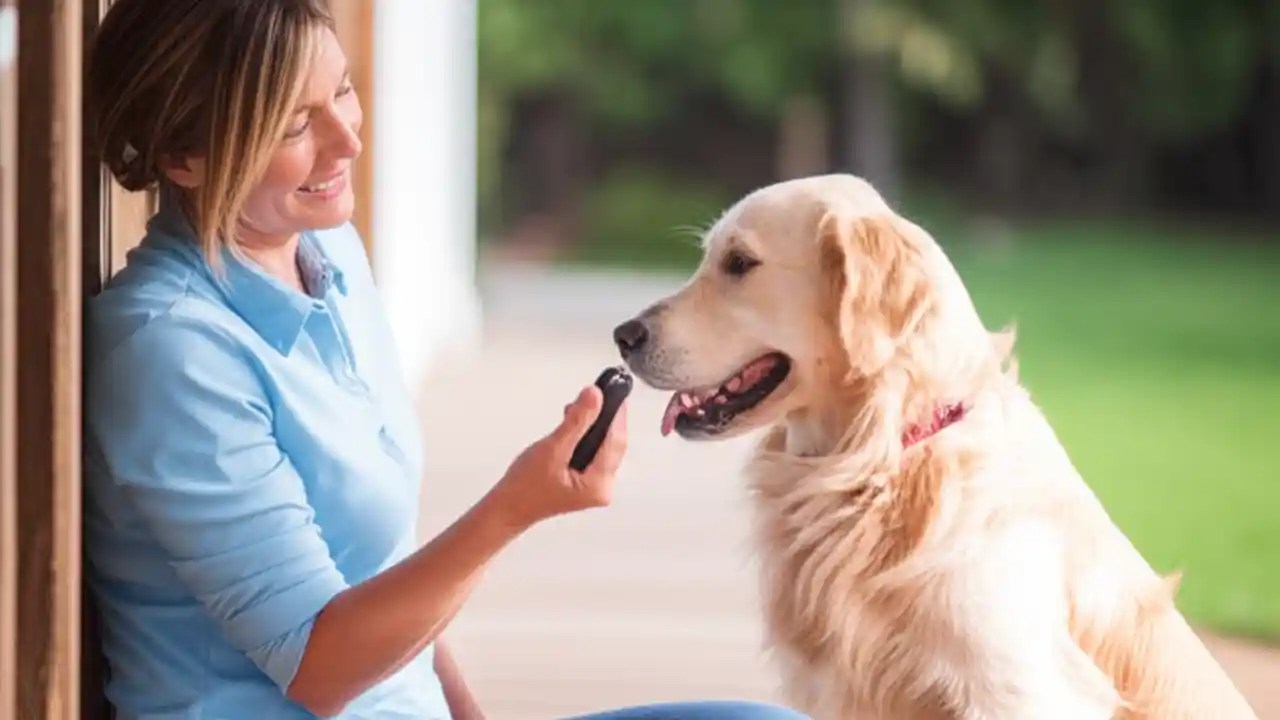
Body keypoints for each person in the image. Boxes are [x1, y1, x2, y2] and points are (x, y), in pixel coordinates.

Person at [82, 2, 808, 719]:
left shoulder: (323, 251)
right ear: (183, 157)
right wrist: (514, 508)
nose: (347, 142)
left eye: (340, 90)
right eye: (296, 125)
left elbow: (381, 568)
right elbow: (320, 668)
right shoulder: (170, 348)